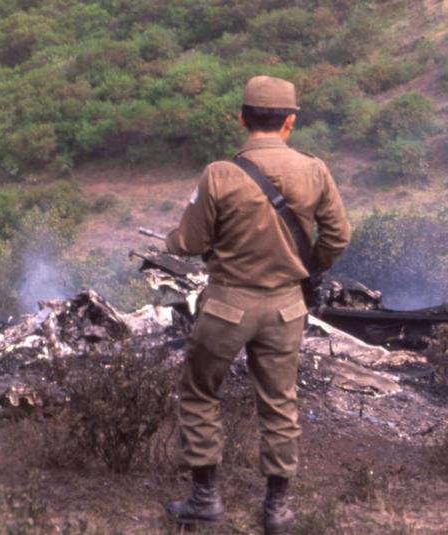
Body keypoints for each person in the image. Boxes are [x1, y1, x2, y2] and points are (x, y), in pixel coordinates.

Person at [163, 75, 351, 534]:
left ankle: (206, 500)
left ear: (243, 118)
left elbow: (189, 241)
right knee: (280, 404)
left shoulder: (219, 174)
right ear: (289, 121)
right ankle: (278, 510)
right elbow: (338, 236)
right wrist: (310, 267)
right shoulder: (314, 170)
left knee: (200, 393)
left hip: (228, 304)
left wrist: (171, 238)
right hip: (287, 307)